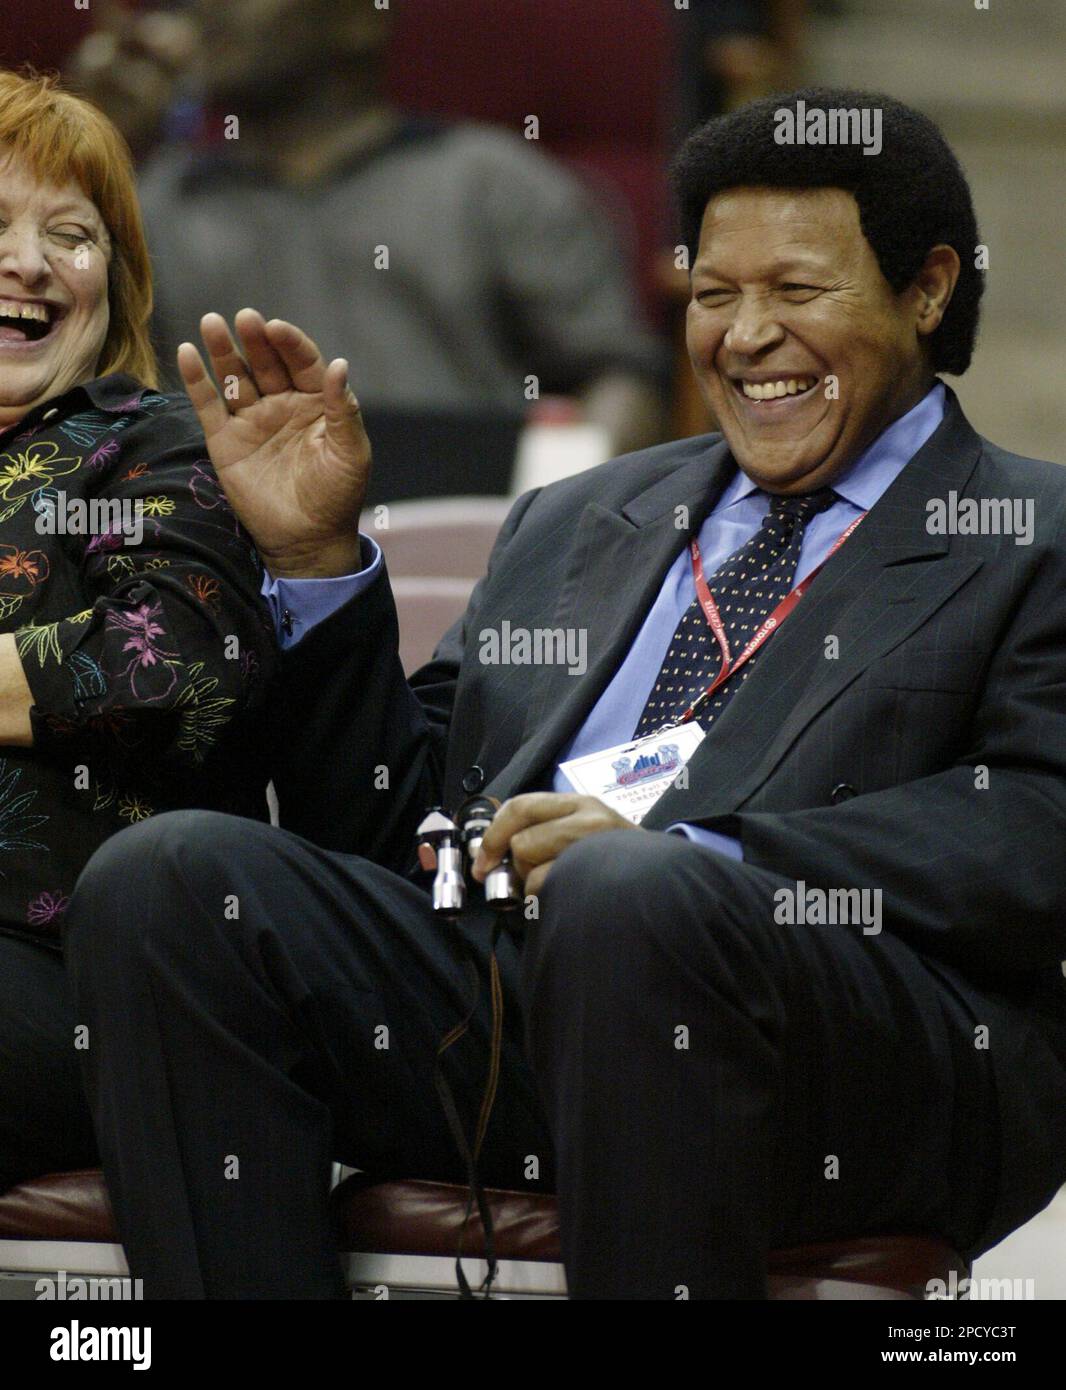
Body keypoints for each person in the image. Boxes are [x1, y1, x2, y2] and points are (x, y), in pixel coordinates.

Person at [64, 88, 1066, 1298]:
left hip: (842, 1059)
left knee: (627, 885)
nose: (746, 337)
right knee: (169, 879)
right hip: (521, 1013)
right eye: (712, 296)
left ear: (927, 288)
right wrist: (317, 563)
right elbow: (397, 833)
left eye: (797, 292)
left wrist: (708, 854)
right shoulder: (580, 516)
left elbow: (1030, 829)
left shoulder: (1026, 533)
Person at [0, 68, 287, 1194]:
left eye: (67, 234)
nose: (27, 261)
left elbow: (173, 664)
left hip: (66, 969)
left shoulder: (151, 444)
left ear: (114, 283)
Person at [121, 0, 667, 458]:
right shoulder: (155, 200)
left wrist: (558, 511)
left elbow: (620, 377)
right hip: (221, 543)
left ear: (361, 18)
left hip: (462, 539)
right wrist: (99, 135)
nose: (205, 9)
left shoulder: (493, 183)